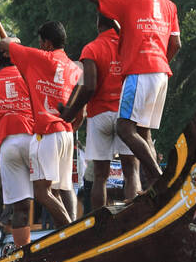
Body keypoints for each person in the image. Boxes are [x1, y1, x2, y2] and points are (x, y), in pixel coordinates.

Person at [85, 0, 180, 191]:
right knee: (143, 131)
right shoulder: (169, 4)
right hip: (161, 73)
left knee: (124, 128)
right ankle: (154, 188)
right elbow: (176, 43)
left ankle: (159, 178)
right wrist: (160, 61)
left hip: (140, 71)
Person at [59, 13, 142, 210]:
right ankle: (134, 216)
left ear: (98, 24)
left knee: (100, 176)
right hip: (126, 113)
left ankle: (99, 225)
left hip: (100, 115)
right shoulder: (129, 45)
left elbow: (88, 87)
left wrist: (69, 114)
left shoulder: (91, 48)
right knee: (131, 171)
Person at [1, 24, 80, 229]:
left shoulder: (38, 57)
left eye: (41, 42)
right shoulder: (74, 67)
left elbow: (4, 44)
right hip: (67, 133)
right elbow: (82, 111)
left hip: (47, 134)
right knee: (62, 188)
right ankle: (65, 234)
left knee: (41, 191)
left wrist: (16, 42)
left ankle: (70, 230)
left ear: (47, 43)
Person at [0, 42, 36, 246]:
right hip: (34, 139)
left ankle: (24, 253)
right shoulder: (29, 77)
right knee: (52, 194)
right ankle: (69, 242)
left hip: (7, 146)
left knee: (20, 207)